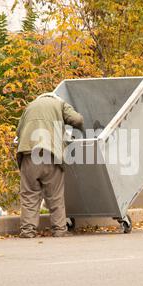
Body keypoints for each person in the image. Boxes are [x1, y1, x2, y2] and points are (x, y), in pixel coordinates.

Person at [16, 92, 84, 238]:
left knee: (29, 195)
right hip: (50, 154)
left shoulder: (30, 106)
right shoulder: (59, 104)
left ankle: (27, 231)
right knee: (55, 195)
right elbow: (77, 120)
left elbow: (18, 130)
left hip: (28, 154)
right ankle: (59, 230)